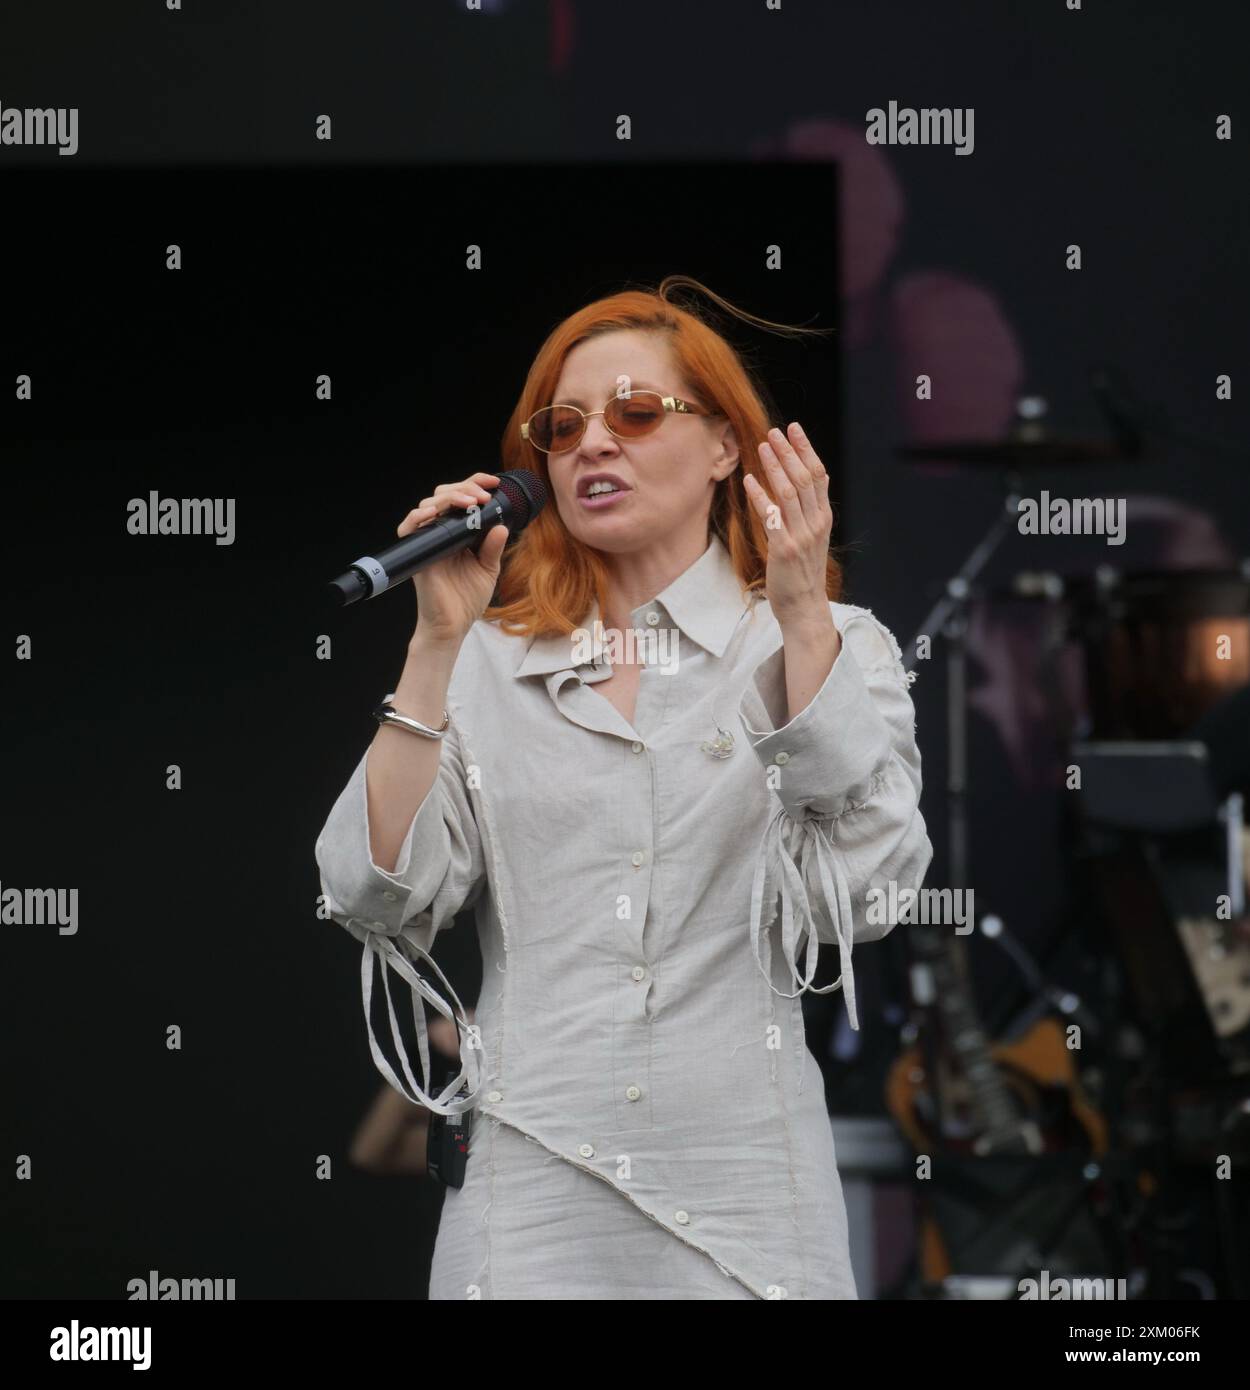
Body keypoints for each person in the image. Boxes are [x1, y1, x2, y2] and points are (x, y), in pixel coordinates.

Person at [315, 276, 932, 1299]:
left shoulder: (829, 644)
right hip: (530, 1189)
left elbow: (865, 895)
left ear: (727, 447)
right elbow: (378, 895)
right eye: (561, 426)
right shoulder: (486, 665)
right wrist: (433, 642)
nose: (593, 442)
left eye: (637, 412)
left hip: (745, 1197)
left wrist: (800, 620)